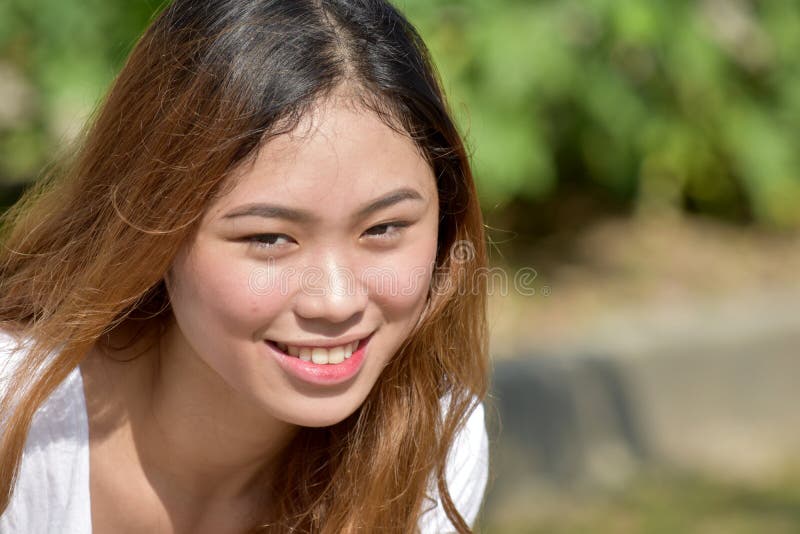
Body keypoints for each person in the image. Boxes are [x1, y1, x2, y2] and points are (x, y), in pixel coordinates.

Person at [0, 0, 490, 532]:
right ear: (150, 231)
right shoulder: (17, 416)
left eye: (383, 229)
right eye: (269, 238)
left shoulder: (432, 444)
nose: (336, 300)